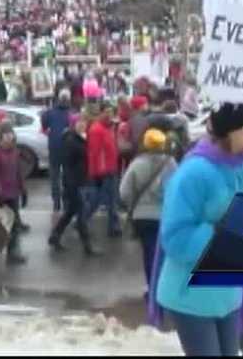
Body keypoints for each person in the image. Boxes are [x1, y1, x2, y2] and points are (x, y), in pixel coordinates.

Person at [150, 102, 243, 356]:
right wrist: (219, 231)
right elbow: (175, 238)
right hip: (191, 294)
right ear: (233, 130)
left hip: (228, 292)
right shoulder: (194, 172)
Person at [119, 128, 176, 300]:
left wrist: (133, 205)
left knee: (149, 252)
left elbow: (124, 191)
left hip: (142, 216)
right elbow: (177, 189)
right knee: (164, 253)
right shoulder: (171, 163)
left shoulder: (137, 164)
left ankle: (152, 288)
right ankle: (162, 288)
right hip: (165, 215)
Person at [49, 115, 97, 256]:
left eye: (84, 122)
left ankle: (55, 236)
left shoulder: (79, 138)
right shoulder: (71, 140)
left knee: (70, 212)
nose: (82, 125)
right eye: (79, 123)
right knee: (81, 214)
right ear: (73, 124)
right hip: (73, 182)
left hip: (79, 180)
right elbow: (72, 161)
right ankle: (87, 246)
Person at [0, 122, 27, 265]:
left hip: (13, 192)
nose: (9, 138)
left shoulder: (15, 152)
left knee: (14, 224)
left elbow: (18, 172)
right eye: (6, 135)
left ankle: (13, 252)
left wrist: (23, 189)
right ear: (0, 137)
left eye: (10, 134)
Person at [84, 103, 122, 238]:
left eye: (111, 112)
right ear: (100, 113)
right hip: (104, 171)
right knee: (100, 199)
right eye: (106, 112)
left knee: (109, 199)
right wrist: (96, 172)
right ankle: (84, 220)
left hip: (110, 168)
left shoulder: (109, 128)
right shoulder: (96, 130)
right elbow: (94, 153)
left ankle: (113, 226)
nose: (109, 115)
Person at [40, 91, 73, 216]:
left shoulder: (49, 112)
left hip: (54, 147)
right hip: (67, 147)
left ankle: (56, 203)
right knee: (66, 176)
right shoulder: (71, 114)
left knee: (54, 176)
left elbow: (44, 126)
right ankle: (65, 201)